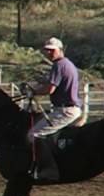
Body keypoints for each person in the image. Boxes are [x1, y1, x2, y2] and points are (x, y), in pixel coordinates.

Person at [25, 37, 83, 180]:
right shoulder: (67, 64)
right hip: (71, 108)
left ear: (60, 50)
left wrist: (33, 92)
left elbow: (50, 89)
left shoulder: (59, 65)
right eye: (47, 51)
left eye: (52, 50)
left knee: (33, 135)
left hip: (65, 110)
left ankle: (46, 168)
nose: (49, 53)